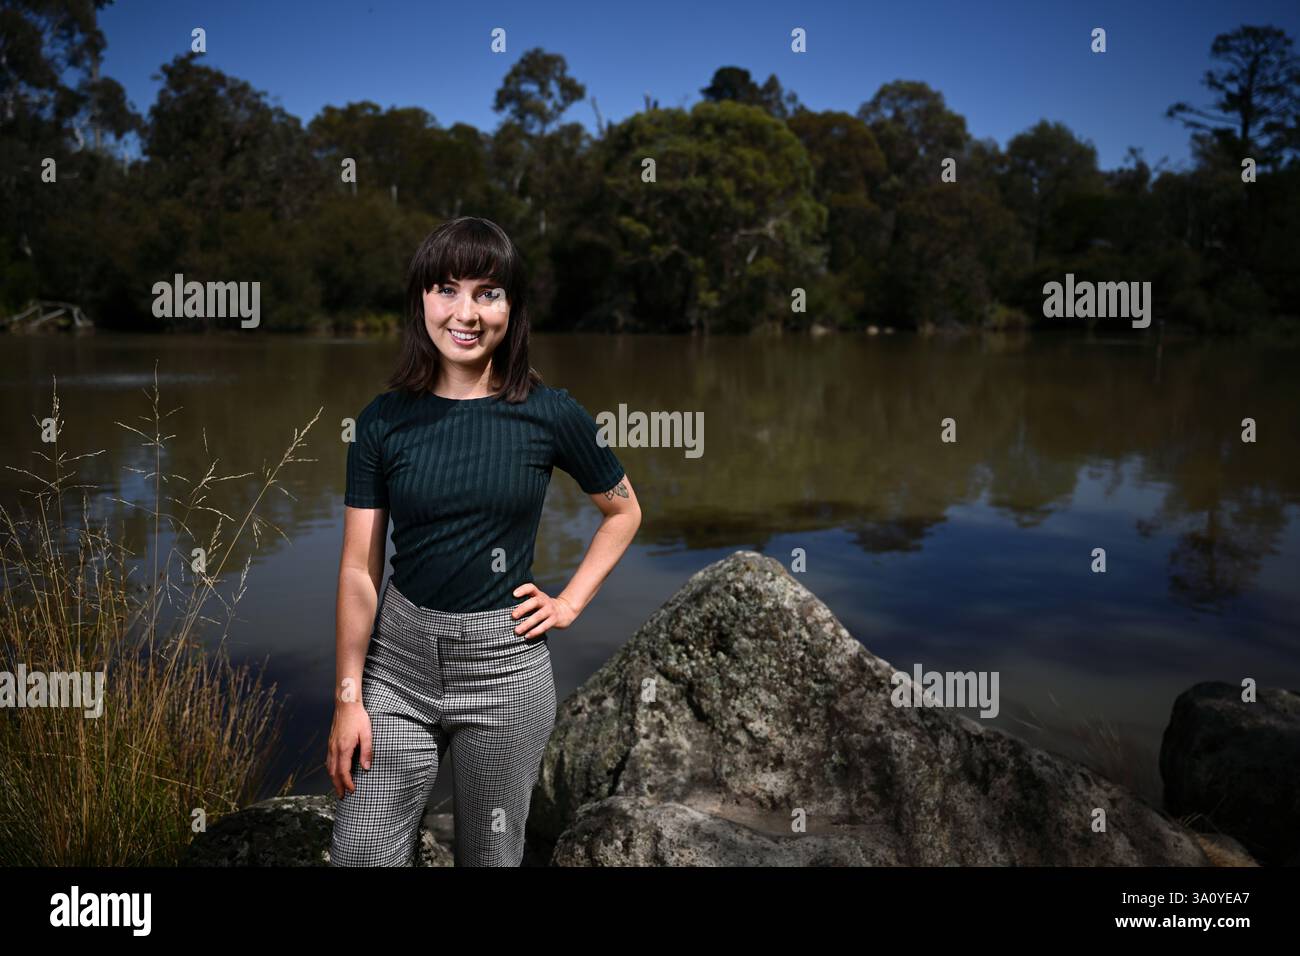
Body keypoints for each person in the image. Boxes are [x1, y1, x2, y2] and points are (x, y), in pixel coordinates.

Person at [326, 217, 641, 866]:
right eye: (446, 288)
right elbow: (359, 570)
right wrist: (348, 698)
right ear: (421, 300)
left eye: (487, 293)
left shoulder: (550, 412)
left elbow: (624, 510)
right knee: (360, 852)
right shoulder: (382, 422)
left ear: (513, 308)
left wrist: (569, 604)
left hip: (505, 670)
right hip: (398, 666)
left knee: (491, 857)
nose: (465, 312)